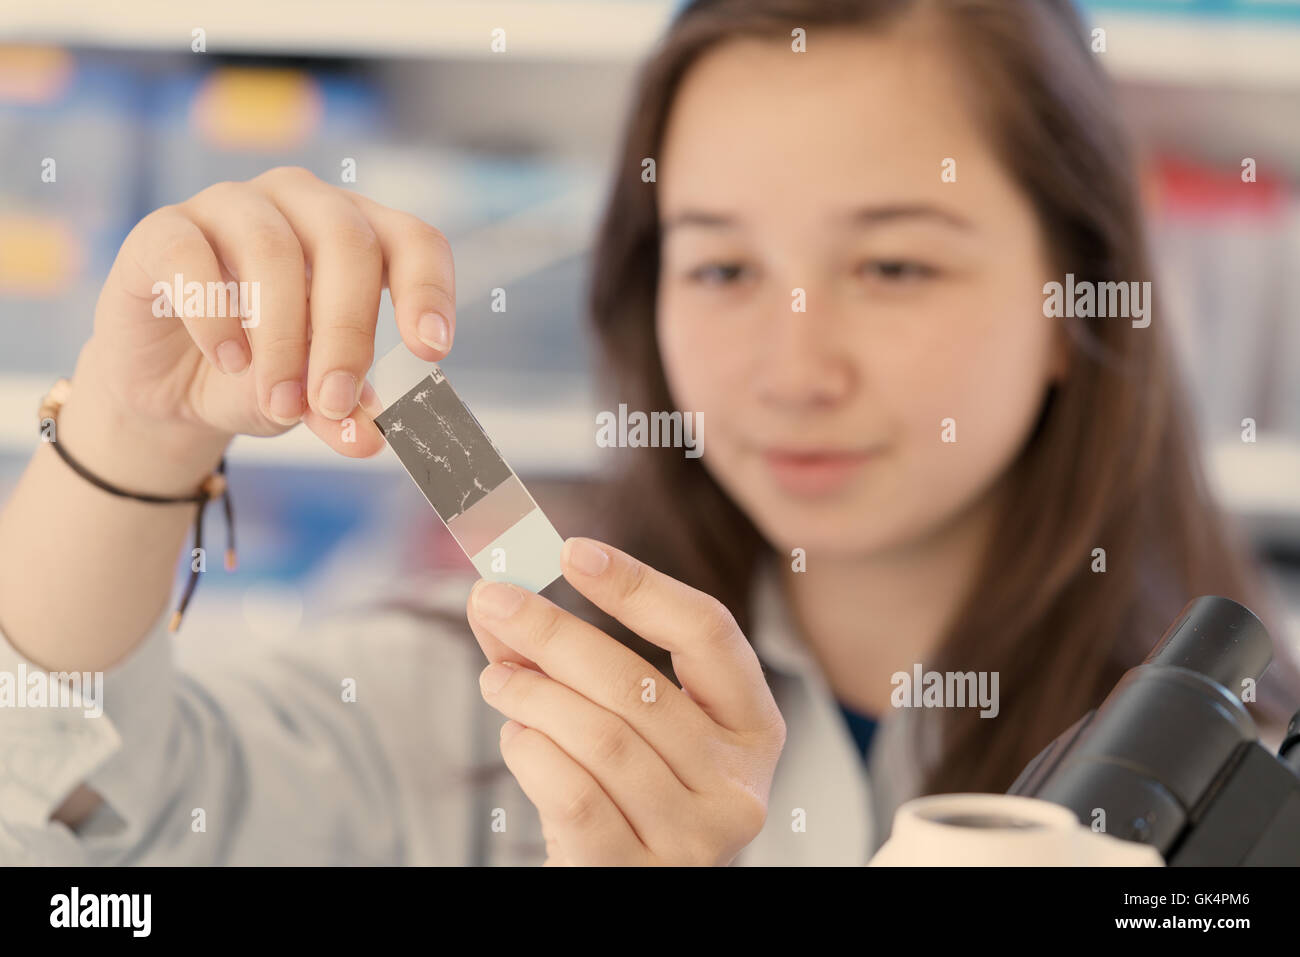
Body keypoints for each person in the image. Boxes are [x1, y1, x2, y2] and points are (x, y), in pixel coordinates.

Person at [2, 0, 1296, 866]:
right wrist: (131, 428)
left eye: (896, 267)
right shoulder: (462, 701)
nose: (796, 369)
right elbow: (69, 820)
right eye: (723, 270)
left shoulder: (1235, 774)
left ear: (1076, 298)